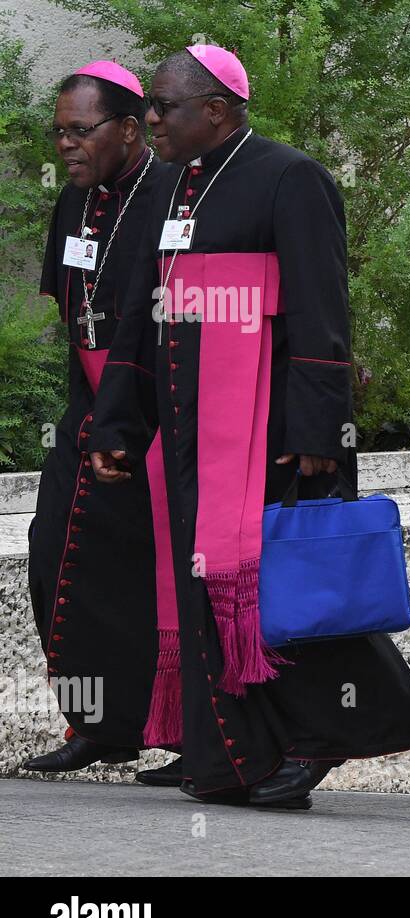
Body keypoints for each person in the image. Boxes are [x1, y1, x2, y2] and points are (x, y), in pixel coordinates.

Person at [90, 45, 410, 808]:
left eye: (164, 108)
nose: (151, 120)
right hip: (187, 435)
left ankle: (323, 735)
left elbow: (320, 313)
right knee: (213, 595)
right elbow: (143, 319)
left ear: (216, 109)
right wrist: (116, 423)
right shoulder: (168, 187)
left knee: (282, 591)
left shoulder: (289, 177)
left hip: (270, 431)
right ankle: (236, 758)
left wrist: (317, 434)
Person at [23, 61, 183, 786]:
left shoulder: (172, 197)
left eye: (80, 130)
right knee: (59, 560)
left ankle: (186, 733)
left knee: (162, 581)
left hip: (156, 417)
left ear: (126, 128)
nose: (66, 145)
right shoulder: (73, 204)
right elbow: (71, 312)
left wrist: (131, 419)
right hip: (87, 414)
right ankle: (99, 726)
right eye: (59, 132)